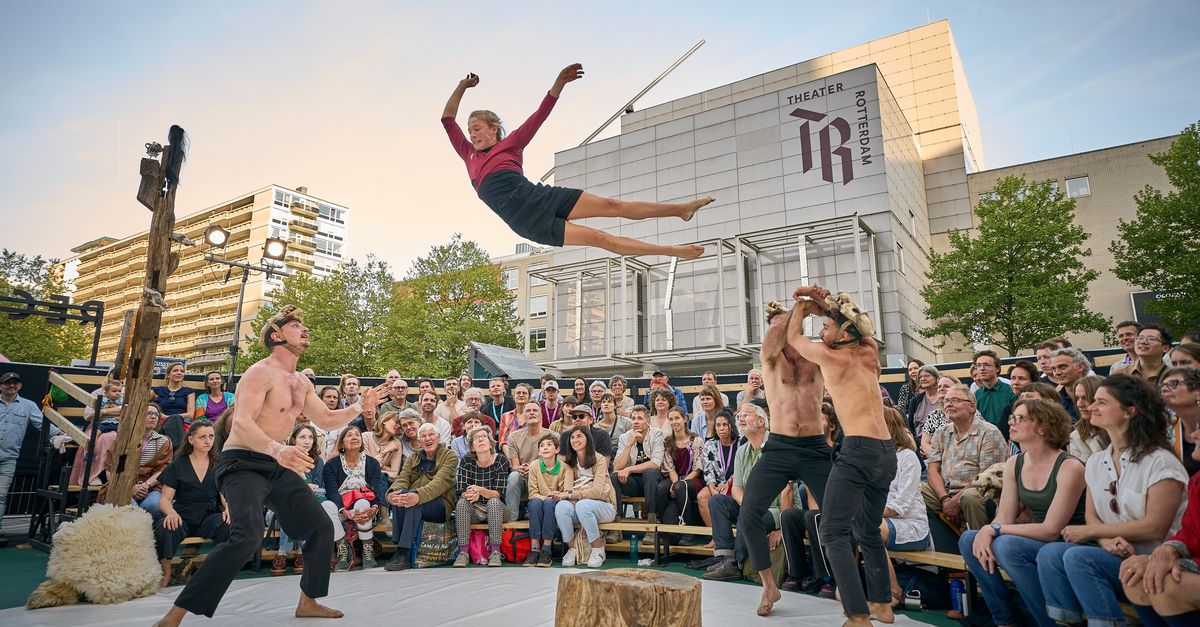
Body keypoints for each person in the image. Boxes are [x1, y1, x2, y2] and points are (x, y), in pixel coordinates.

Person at [154, 306, 380, 626]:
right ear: (276, 335)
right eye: (296, 325)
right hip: (241, 461)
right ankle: (174, 615)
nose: (304, 329)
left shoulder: (301, 382)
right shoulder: (259, 372)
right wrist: (278, 449)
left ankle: (308, 602)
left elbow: (328, 419)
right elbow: (242, 423)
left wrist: (359, 407)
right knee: (246, 536)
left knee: (321, 526)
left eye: (303, 325)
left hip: (275, 463)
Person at [443, 64, 710, 259]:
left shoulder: (511, 143)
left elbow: (539, 115)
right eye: (469, 131)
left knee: (613, 205)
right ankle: (671, 251)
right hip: (528, 222)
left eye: (476, 128)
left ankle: (680, 210)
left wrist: (559, 83)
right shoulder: (468, 155)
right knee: (600, 238)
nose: (472, 135)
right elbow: (447, 119)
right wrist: (462, 86)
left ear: (493, 129)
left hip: (542, 197)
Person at [778, 285, 896, 623]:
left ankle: (857, 615)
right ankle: (882, 604)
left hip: (858, 450)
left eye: (826, 326)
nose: (821, 331)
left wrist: (804, 307)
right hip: (885, 452)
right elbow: (861, 328)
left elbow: (793, 337)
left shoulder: (830, 357)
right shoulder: (869, 353)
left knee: (832, 532)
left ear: (844, 333)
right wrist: (828, 304)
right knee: (868, 530)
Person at [1037, 374, 1188, 627]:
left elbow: (1155, 527)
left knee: (1078, 558)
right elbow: (1092, 515)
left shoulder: (1160, 461)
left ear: (1129, 411)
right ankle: (1064, 623)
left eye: (1102, 402)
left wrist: (1091, 532)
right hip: (1117, 556)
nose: (1091, 407)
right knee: (1050, 553)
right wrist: (1105, 540)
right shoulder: (1096, 461)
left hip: (1156, 560)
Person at [736, 297, 834, 616]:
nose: (775, 328)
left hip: (815, 448)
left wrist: (813, 306)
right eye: (773, 324)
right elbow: (774, 336)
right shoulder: (770, 360)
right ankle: (769, 585)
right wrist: (797, 310)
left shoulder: (815, 356)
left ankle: (847, 583)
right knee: (749, 513)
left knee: (839, 516)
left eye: (780, 323)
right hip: (779, 447)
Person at [959, 399, 1086, 627]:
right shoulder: (1015, 463)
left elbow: (1051, 530)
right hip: (1037, 540)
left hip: (1065, 543)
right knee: (969, 539)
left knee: (1007, 545)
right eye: (1012, 417)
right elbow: (1004, 518)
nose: (1011, 422)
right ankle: (1005, 620)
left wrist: (994, 529)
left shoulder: (1069, 466)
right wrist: (989, 530)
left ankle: (1046, 623)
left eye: (1019, 418)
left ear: (1043, 427)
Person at [1120, 422, 1200, 627]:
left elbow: (1155, 527)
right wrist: (1165, 552)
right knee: (1135, 577)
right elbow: (1190, 533)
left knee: (1166, 584)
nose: (1194, 435)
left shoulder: (1162, 462)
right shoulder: (1198, 481)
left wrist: (1181, 564)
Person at [704, 403, 790, 582]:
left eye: (747, 415)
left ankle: (735, 564)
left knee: (748, 514)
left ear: (761, 421)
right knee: (717, 501)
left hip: (774, 511)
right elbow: (736, 488)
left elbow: (788, 490)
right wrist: (747, 504)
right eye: (739, 416)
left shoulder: (778, 447)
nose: (741, 418)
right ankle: (725, 558)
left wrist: (783, 526)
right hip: (750, 507)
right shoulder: (742, 450)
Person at [154, 420, 230, 587]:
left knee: (228, 524)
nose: (208, 441)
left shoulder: (218, 464)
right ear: (191, 439)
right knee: (165, 527)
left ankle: (213, 571)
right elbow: (165, 500)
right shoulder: (178, 465)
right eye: (202, 437)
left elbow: (223, 493)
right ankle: (165, 572)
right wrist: (171, 513)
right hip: (183, 516)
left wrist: (228, 509)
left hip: (208, 516)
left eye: (211, 436)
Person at [922, 384, 1007, 531]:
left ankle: (980, 539)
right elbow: (933, 470)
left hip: (978, 490)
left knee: (969, 497)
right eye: (946, 401)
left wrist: (955, 501)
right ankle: (941, 538)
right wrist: (945, 499)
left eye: (955, 400)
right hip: (946, 492)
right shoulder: (941, 433)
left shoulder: (989, 432)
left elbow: (986, 477)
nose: (948, 404)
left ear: (972, 407)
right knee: (917, 491)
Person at [384, 422, 458, 571]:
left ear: (439, 437)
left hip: (441, 504)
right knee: (400, 497)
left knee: (413, 503)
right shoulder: (413, 457)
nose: (427, 438)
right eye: (423, 436)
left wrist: (417, 496)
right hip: (414, 498)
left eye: (431, 435)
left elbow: (440, 483)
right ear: (419, 441)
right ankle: (400, 547)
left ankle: (403, 552)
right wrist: (392, 494)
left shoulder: (449, 456)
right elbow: (402, 478)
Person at [271, 423, 338, 577]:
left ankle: (287, 553)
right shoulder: (283, 460)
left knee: (300, 507)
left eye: (310, 438)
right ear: (294, 439)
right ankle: (296, 551)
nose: (307, 441)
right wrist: (303, 486)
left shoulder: (318, 461)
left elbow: (319, 487)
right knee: (290, 506)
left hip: (308, 505)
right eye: (302, 437)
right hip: (278, 512)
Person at [879, 407, 931, 606]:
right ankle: (850, 587)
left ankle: (893, 591)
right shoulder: (874, 458)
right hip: (882, 521)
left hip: (911, 525)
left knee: (869, 529)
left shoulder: (907, 457)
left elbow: (902, 505)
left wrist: (870, 513)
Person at [322, 426, 386, 571]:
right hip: (341, 505)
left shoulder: (372, 463)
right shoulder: (331, 465)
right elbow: (332, 492)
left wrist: (374, 507)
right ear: (341, 442)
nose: (354, 437)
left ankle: (368, 552)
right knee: (326, 505)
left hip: (366, 505)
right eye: (349, 435)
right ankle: (343, 550)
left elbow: (376, 489)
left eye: (357, 434)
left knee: (362, 502)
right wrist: (343, 510)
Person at [555, 425, 618, 568]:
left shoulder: (599, 459)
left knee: (583, 505)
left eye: (579, 436)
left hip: (605, 506)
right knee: (561, 507)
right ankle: (572, 549)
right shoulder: (570, 462)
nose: (575, 440)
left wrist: (572, 494)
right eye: (572, 437)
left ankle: (598, 549)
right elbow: (568, 490)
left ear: (587, 439)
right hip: (581, 507)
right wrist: (570, 495)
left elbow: (597, 492)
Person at [101, 403, 173, 521]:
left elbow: (162, 470)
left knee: (153, 505)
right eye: (149, 413)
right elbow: (111, 470)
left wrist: (145, 485)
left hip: (151, 487)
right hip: (122, 486)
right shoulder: (123, 440)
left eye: (156, 414)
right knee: (128, 506)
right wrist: (130, 488)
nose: (153, 417)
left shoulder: (163, 441)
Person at [453, 426, 512, 567]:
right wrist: (469, 494)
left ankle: (496, 552)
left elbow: (498, 493)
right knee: (462, 503)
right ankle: (463, 553)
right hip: (475, 509)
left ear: (491, 443)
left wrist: (480, 490)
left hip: (498, 509)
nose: (480, 439)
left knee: (493, 502)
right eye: (476, 438)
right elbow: (461, 489)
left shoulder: (500, 460)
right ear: (472, 447)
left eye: (484, 436)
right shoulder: (466, 460)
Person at [1, 372, 51, 528]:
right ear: (1, 386)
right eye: (8, 383)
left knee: (1, 496)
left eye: (15, 383)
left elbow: (42, 424)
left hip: (8, 459)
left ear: (20, 386)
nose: (11, 385)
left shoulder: (28, 405)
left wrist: (61, 434)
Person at [611, 405, 666, 522]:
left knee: (650, 472)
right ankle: (617, 518)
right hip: (634, 483)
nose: (636, 422)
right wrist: (629, 444)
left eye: (640, 418)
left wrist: (628, 469)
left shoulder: (657, 434)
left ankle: (652, 517)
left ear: (648, 421)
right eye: (633, 418)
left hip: (653, 482)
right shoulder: (625, 437)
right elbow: (617, 467)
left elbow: (655, 463)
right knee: (614, 477)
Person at [661, 405, 705, 542]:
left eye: (677, 418)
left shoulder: (696, 441)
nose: (674, 422)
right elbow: (670, 468)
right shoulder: (668, 442)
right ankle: (661, 525)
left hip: (694, 480)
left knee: (680, 486)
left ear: (685, 419)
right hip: (677, 479)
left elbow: (697, 470)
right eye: (671, 419)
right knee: (661, 487)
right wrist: (675, 484)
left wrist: (679, 484)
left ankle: (689, 532)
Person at [69, 379, 123, 486]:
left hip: (116, 425)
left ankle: (111, 475)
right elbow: (89, 416)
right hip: (99, 424)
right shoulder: (98, 394)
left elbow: (124, 411)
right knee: (93, 437)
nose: (118, 393)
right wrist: (111, 412)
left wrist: (104, 412)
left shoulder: (123, 396)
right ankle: (90, 456)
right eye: (114, 391)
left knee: (111, 437)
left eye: (119, 391)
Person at [524, 433, 566, 567]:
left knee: (549, 504)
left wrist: (554, 496)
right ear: (539, 452)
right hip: (538, 499)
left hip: (554, 502)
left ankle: (547, 549)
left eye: (549, 445)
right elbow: (532, 493)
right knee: (535, 504)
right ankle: (535, 549)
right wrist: (544, 497)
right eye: (542, 446)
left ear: (557, 450)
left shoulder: (563, 467)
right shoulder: (534, 465)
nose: (545, 448)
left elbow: (564, 492)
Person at [505, 401, 549, 519]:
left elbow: (554, 465)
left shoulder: (552, 436)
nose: (532, 413)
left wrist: (534, 469)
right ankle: (511, 520)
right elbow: (514, 466)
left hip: (544, 478)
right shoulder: (513, 437)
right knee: (513, 476)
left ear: (540, 415)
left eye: (535, 410)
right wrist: (520, 469)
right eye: (528, 411)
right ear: (524, 416)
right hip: (523, 478)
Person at [698, 410, 739, 533]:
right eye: (718, 425)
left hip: (736, 483)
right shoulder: (710, 444)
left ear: (731, 426)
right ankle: (715, 535)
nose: (721, 428)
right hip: (717, 483)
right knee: (702, 497)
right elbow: (708, 470)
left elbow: (742, 469)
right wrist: (712, 488)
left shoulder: (740, 443)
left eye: (725, 424)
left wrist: (729, 484)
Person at [1161, 367, 1200, 475]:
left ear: (1198, 392)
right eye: (1162, 385)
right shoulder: (1165, 431)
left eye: (1173, 384)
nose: (1164, 389)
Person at [974, 350, 1018, 437]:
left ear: (997, 369)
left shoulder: (1011, 392)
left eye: (987, 365)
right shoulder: (975, 395)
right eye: (978, 365)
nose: (982, 368)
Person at [154, 363, 197, 447]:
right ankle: (179, 450)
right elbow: (146, 404)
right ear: (168, 375)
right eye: (175, 371)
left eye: (182, 371)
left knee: (175, 419)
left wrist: (169, 417)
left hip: (181, 423)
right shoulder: (158, 391)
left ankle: (172, 448)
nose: (179, 373)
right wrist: (159, 414)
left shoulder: (189, 392)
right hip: (162, 423)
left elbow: (190, 414)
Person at [1069, 375, 1110, 462]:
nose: (1079, 404)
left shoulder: (1124, 429)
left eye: (1085, 398)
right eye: (1077, 398)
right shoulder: (1076, 437)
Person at [905, 364, 943, 447]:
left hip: (943, 443)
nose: (923, 379)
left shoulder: (944, 398)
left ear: (936, 377)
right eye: (920, 377)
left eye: (927, 376)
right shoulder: (915, 401)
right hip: (920, 445)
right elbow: (911, 427)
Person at [368, 411, 405, 482]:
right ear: (384, 421)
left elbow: (394, 475)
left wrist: (381, 466)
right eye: (396, 422)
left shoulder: (396, 444)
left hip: (381, 483)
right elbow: (365, 467)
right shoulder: (366, 437)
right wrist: (385, 452)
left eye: (400, 424)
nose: (398, 426)